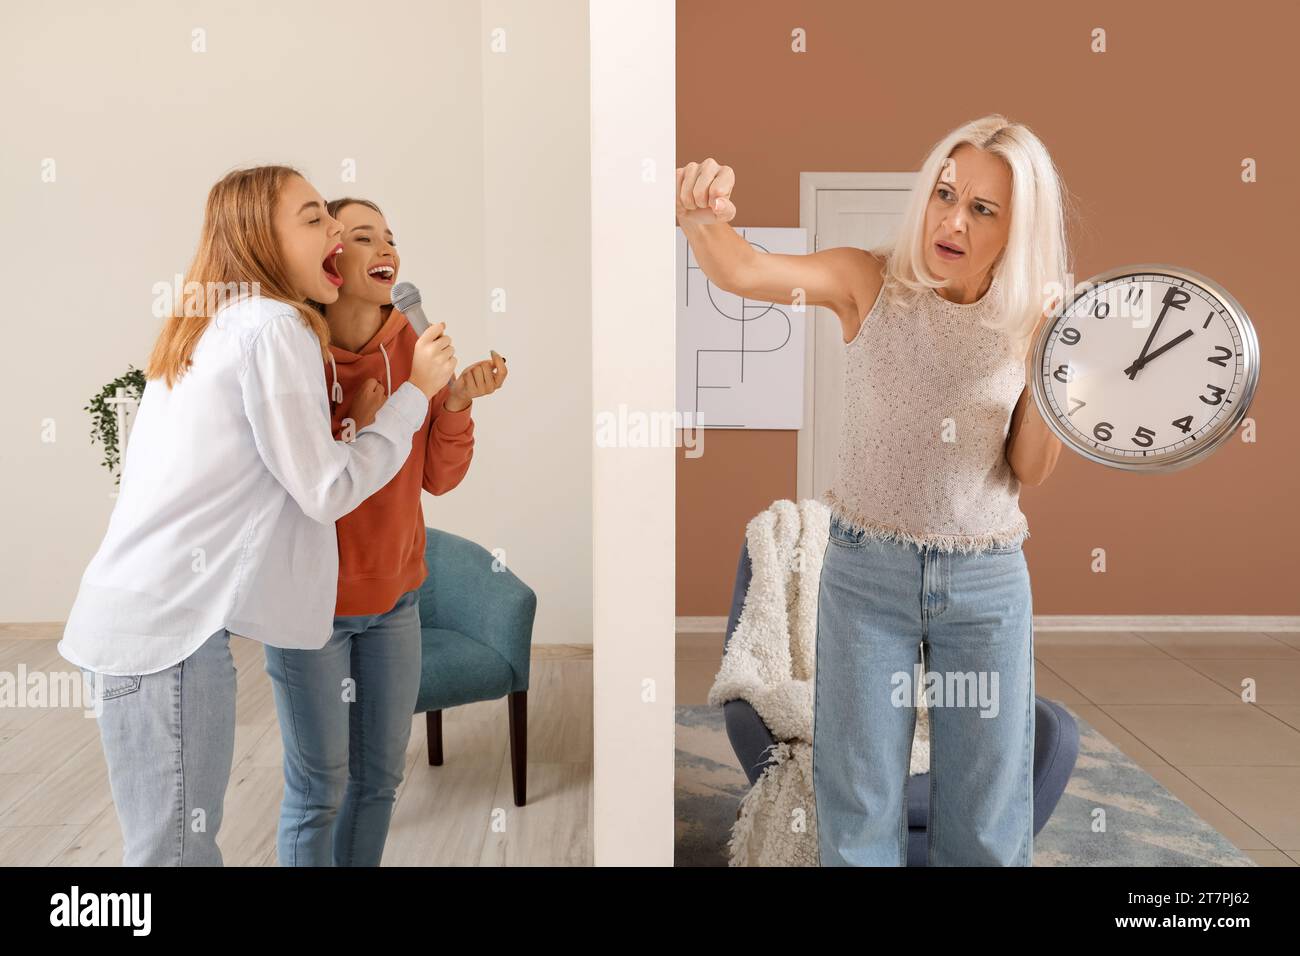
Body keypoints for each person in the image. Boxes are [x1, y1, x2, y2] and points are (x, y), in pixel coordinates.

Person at [676, 114, 1068, 865]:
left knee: (986, 812)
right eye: (945, 194)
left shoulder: (1031, 320)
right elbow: (746, 271)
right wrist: (700, 219)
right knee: (857, 801)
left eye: (982, 209)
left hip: (986, 581)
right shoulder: (869, 279)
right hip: (866, 574)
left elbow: (1030, 468)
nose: (951, 220)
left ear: (1019, 229)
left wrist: (1053, 369)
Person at [58, 166, 457, 865]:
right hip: (168, 635)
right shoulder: (274, 328)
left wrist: (369, 422)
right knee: (178, 851)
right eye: (314, 219)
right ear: (260, 241)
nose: (334, 230)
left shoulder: (217, 322)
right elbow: (326, 492)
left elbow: (277, 470)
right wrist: (415, 396)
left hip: (147, 624)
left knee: (173, 846)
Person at [264, 196, 508, 866]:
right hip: (311, 606)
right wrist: (362, 425)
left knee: (379, 783)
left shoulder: (413, 344)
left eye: (391, 239)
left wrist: (452, 402)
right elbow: (303, 485)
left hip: (396, 602)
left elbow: (437, 477)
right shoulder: (290, 347)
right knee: (319, 790)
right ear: (330, 256)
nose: (387, 250)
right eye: (363, 236)